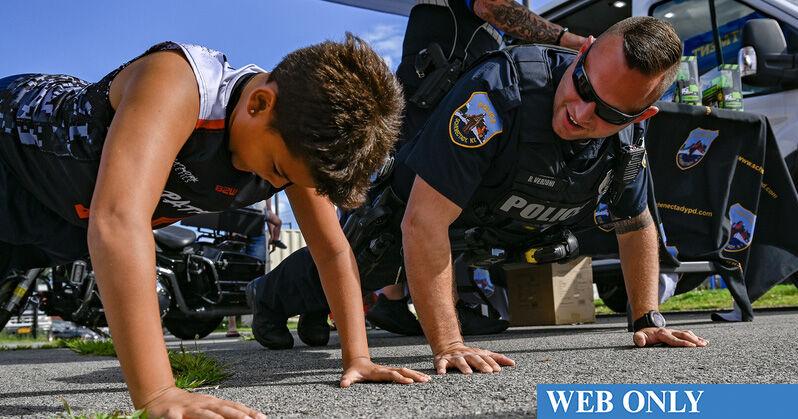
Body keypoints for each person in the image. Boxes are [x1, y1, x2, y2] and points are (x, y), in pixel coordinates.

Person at [249, 17, 709, 375]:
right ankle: (269, 296)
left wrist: (647, 319)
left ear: (639, 115)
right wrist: (448, 344)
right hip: (418, 207)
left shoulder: (627, 138)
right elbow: (423, 222)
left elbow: (635, 223)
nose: (580, 111)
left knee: (559, 247)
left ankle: (314, 310)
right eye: (582, 86)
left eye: (607, 111)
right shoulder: (500, 90)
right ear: (581, 53)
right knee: (367, 261)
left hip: (492, 222)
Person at [0, 35, 429, 419]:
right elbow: (119, 221)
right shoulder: (179, 82)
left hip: (64, 223)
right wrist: (158, 393)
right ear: (258, 103)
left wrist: (358, 356)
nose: (276, 183)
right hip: (13, 160)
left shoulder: (298, 147)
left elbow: (333, 250)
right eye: (278, 169)